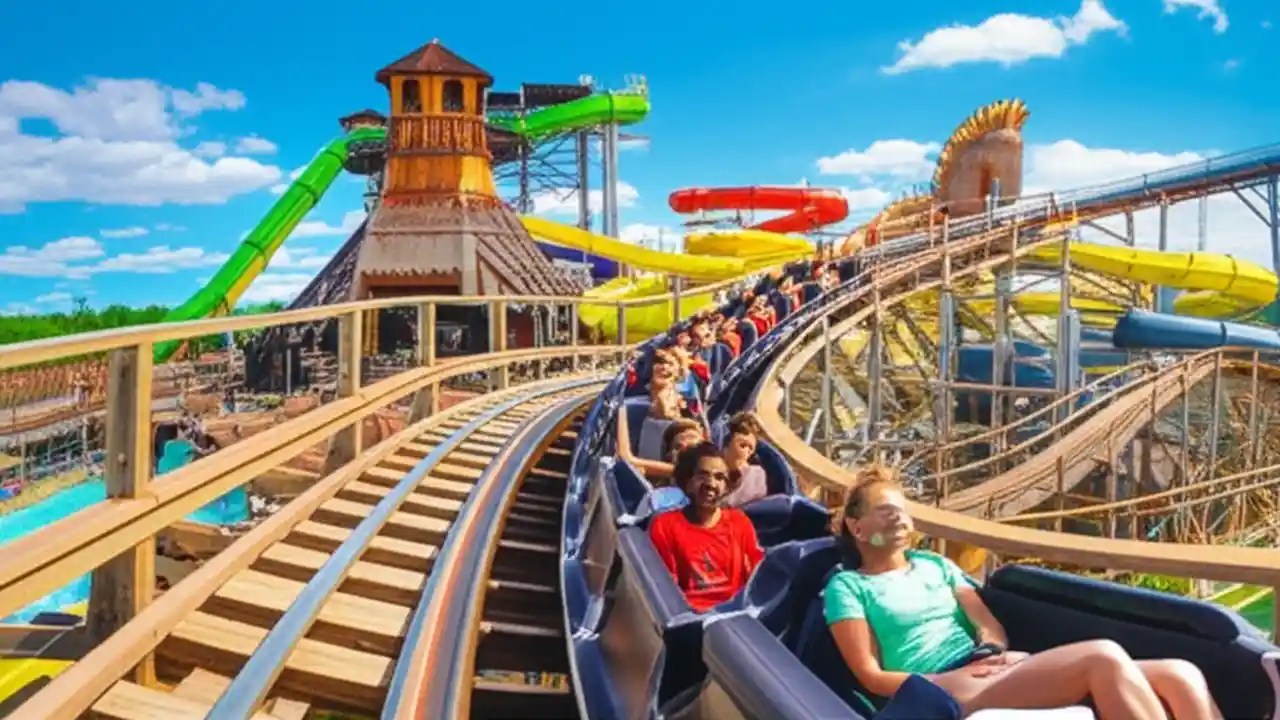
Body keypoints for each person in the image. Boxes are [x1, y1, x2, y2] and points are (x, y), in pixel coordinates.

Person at [825, 466, 1223, 720]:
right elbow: (871, 675)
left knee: (1180, 674)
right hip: (938, 685)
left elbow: (988, 625)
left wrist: (991, 651)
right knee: (1101, 657)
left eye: (902, 509)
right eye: (884, 510)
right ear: (858, 529)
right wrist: (940, 680)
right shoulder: (849, 586)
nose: (898, 516)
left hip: (986, 667)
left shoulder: (936, 565)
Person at [648, 442, 764, 612]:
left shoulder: (739, 522)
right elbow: (666, 593)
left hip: (734, 616)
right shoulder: (665, 526)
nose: (711, 483)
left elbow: (757, 576)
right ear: (687, 481)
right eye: (703, 475)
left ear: (727, 487)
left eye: (719, 478)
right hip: (689, 618)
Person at [720, 411, 768, 507]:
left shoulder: (755, 477)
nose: (745, 452)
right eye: (742, 445)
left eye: (750, 448)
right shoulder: (708, 464)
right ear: (727, 444)